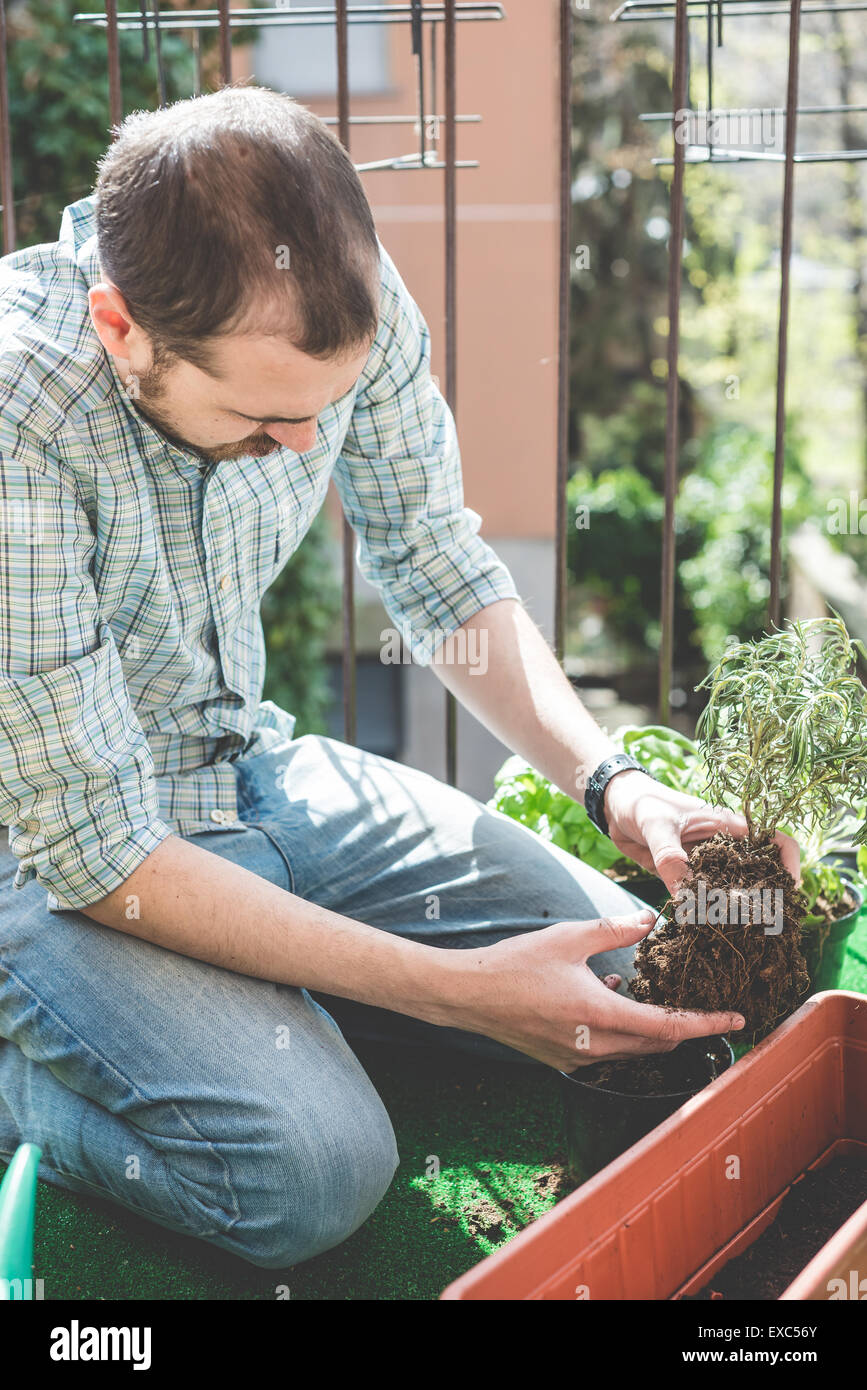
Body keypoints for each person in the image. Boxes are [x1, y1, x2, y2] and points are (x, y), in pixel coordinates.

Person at [0, 85, 796, 1269]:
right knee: (311, 1171)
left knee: (633, 986)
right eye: (268, 419)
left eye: (327, 408)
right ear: (123, 330)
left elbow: (436, 567)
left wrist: (614, 783)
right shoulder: (23, 407)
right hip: (50, 858)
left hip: (248, 767)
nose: (307, 447)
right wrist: (454, 991)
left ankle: (290, 1009)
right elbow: (99, 850)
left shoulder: (335, 296)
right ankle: (32, 1081)